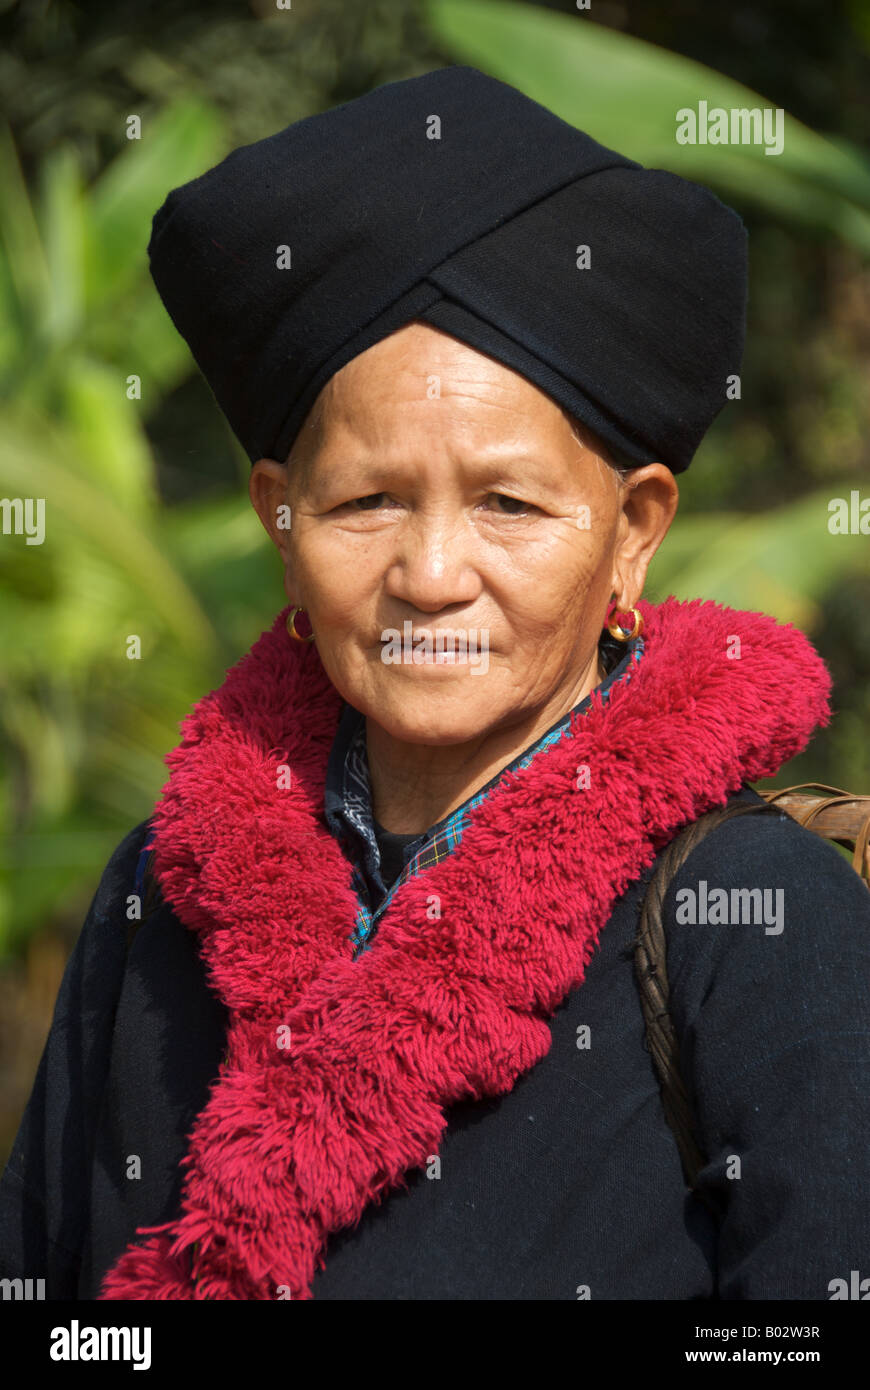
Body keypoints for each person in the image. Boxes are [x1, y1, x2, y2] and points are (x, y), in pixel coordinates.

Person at [1, 65, 869, 1302]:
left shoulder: (758, 922)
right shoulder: (158, 893)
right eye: (366, 502)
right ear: (280, 519)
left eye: (510, 504)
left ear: (634, 529)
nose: (432, 574)